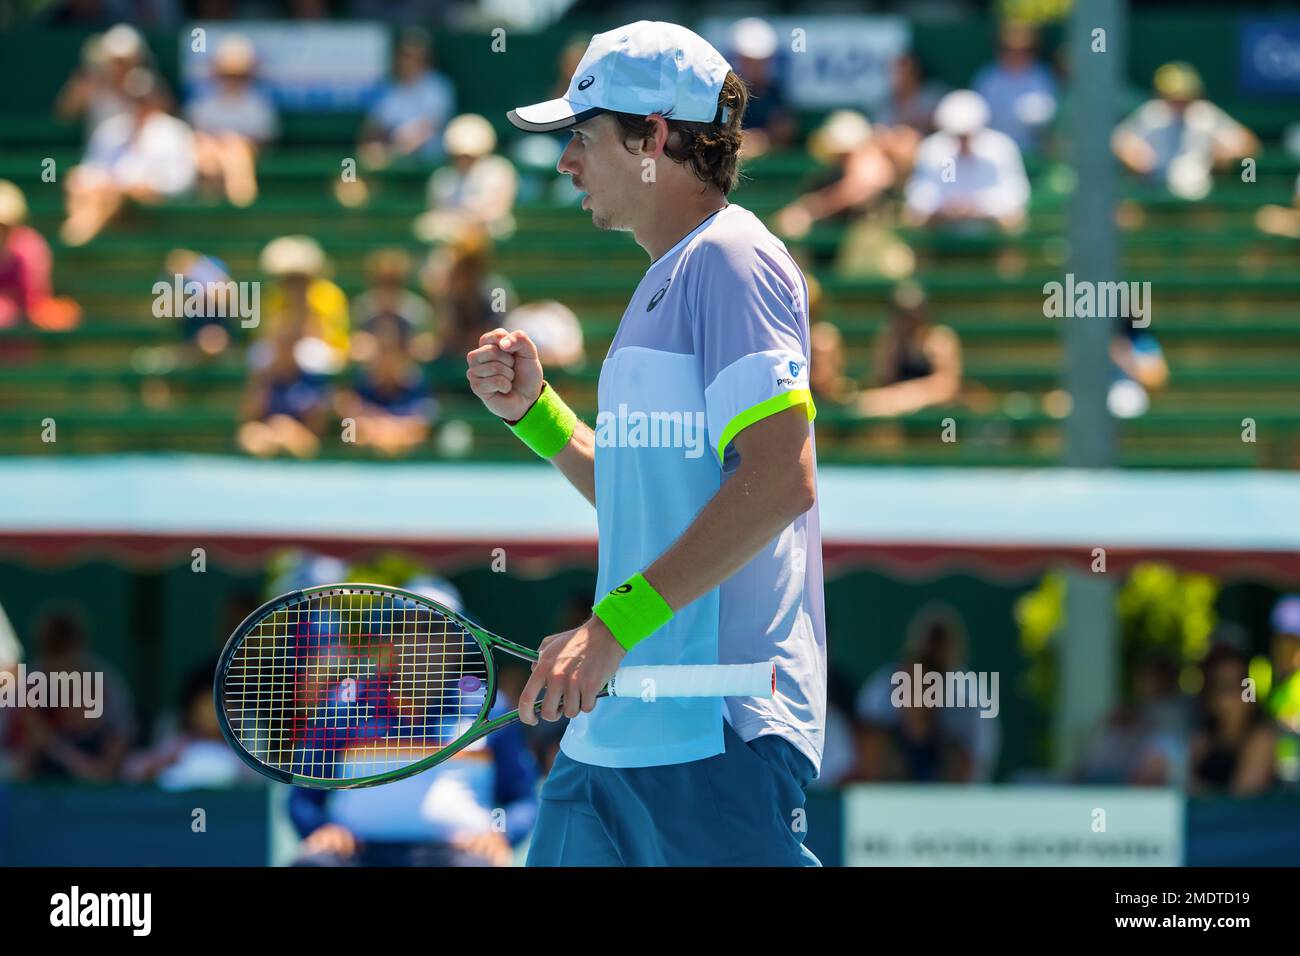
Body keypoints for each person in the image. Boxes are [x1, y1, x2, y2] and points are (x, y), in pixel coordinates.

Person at [473, 21, 825, 866]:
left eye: (583, 137)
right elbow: (652, 500)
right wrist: (539, 416)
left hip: (713, 721)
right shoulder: (662, 280)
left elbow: (781, 482)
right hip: (612, 737)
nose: (566, 161)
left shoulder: (734, 258)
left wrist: (608, 629)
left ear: (653, 139)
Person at [289, 578, 540, 867]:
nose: (416, 640)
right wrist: (320, 829)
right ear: (389, 641)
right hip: (356, 856)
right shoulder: (344, 703)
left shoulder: (492, 708)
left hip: (455, 857)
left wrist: (500, 835)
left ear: (458, 642)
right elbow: (302, 796)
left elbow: (522, 800)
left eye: (432, 628)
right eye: (403, 627)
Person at [60, 67, 195, 246]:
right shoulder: (110, 128)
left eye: (143, 99)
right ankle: (79, 237)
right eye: (132, 99)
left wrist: (151, 185)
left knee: (107, 196)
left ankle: (73, 239)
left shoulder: (175, 132)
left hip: (154, 199)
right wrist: (107, 184)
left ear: (156, 99)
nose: (138, 105)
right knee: (78, 181)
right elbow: (91, 170)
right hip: (109, 195)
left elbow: (182, 180)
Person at [1112, 62, 1257, 202]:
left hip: (1198, 196)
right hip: (1152, 190)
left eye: (1183, 96)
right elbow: (1118, 140)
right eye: (1173, 96)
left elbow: (1248, 143)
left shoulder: (1205, 114)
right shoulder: (1151, 114)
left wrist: (1225, 153)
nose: (1178, 102)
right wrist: (1132, 153)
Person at [904, 89, 1029, 232]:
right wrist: (947, 206)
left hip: (989, 219)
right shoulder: (937, 150)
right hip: (943, 220)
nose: (962, 141)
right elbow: (922, 194)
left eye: (967, 135)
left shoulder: (999, 148)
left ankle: (1006, 253)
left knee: (1014, 218)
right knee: (915, 217)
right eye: (957, 136)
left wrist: (980, 206)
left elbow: (1015, 193)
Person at [185, 34, 279, 208]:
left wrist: (231, 144)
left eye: (237, 74)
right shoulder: (203, 104)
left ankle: (236, 202)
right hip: (209, 155)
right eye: (227, 74)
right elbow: (196, 137)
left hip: (242, 155)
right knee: (208, 154)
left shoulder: (258, 106)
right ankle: (227, 202)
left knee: (235, 149)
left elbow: (264, 141)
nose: (232, 79)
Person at [856, 282, 962, 417]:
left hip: (937, 412)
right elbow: (884, 378)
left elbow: (947, 387)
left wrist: (909, 395)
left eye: (914, 314)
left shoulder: (939, 339)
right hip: (898, 408)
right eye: (903, 314)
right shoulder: (891, 339)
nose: (909, 320)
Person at [414, 113, 519, 242]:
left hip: (487, 227)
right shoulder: (442, 177)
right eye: (459, 155)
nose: (464, 159)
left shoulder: (500, 170)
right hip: (454, 229)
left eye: (470, 155)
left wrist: (472, 222)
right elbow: (438, 210)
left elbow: (499, 208)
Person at [1189, 644, 1277, 796]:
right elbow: (1188, 788)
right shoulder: (1202, 740)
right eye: (1220, 686)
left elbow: (1243, 797)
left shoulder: (1262, 739)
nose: (1228, 696)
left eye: (1238, 686)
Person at [359, 28, 456, 166]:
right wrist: (374, 148)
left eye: (414, 56)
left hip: (429, 162)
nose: (408, 61)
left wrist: (393, 152)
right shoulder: (388, 87)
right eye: (405, 55)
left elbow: (429, 128)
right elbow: (373, 127)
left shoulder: (438, 87)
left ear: (425, 58)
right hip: (391, 161)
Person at [972, 22, 1057, 155]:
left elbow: (1050, 117)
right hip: (994, 150)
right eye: (1009, 49)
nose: (1017, 54)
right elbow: (977, 117)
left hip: (1036, 150)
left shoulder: (1042, 76)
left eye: (1024, 50)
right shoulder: (988, 77)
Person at [727, 17, 795, 157]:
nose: (756, 66)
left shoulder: (774, 92)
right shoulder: (725, 94)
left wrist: (764, 140)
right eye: (749, 60)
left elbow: (784, 131)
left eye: (761, 61)